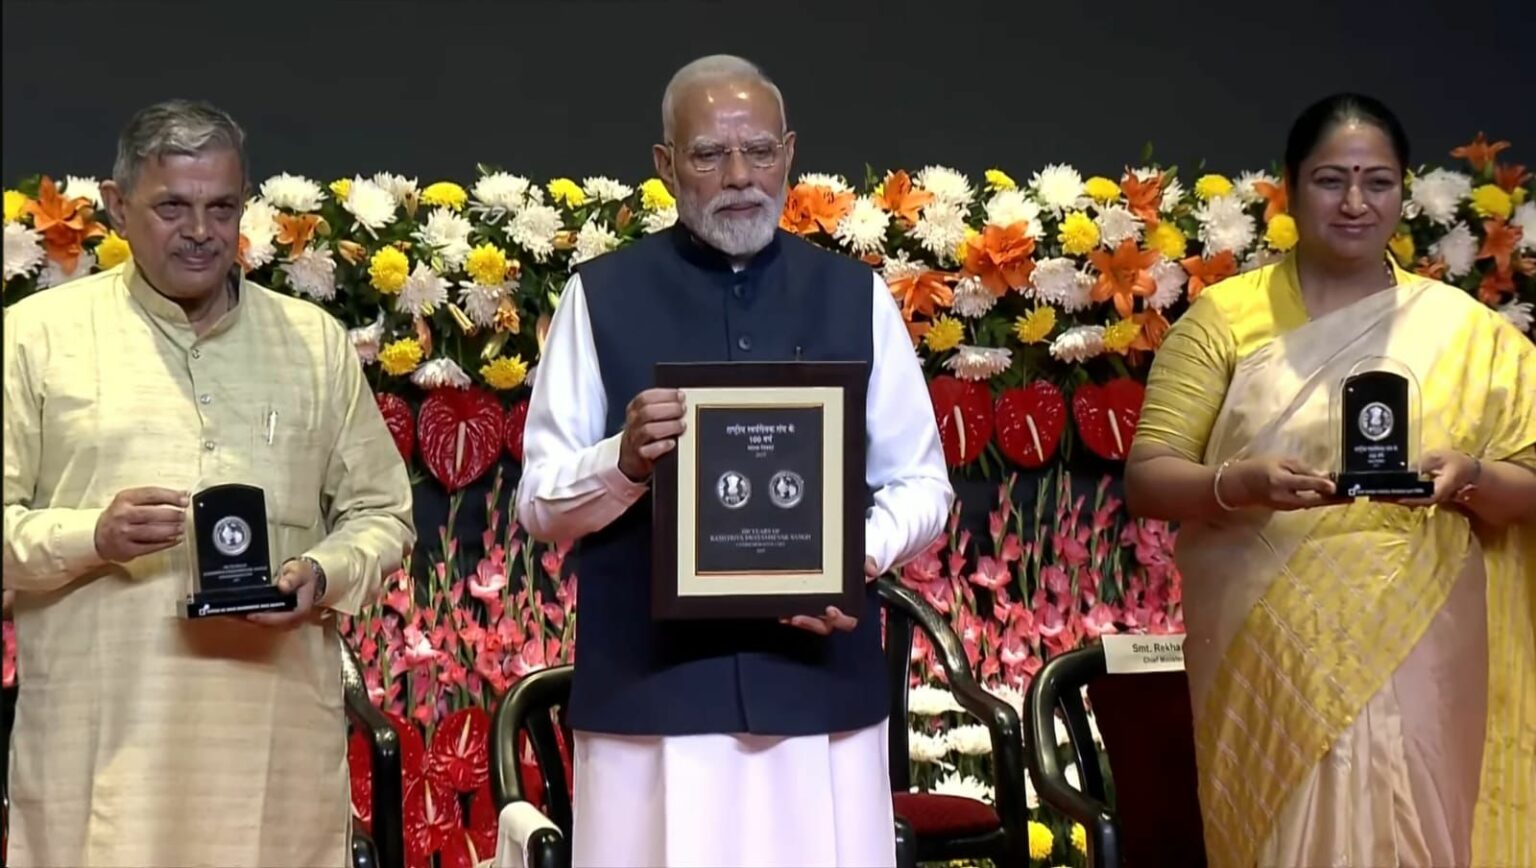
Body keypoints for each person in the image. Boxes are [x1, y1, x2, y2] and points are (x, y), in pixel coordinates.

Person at [515, 55, 953, 867]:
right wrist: (623, 464)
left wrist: (846, 556)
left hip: (820, 695)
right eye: (710, 155)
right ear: (665, 164)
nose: (740, 176)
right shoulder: (600, 296)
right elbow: (538, 503)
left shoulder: (855, 296)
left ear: (789, 153)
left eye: (758, 151)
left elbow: (923, 483)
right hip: (654, 699)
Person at [1126, 93, 1536, 867]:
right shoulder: (1224, 319)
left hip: (1428, 640)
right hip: (1272, 651)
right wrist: (1238, 484)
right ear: (1289, 187)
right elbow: (1149, 478)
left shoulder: (1466, 329)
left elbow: (1531, 484)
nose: (1355, 202)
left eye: (1377, 182)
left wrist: (1471, 476)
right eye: (1331, 180)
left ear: (1404, 191)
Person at [2, 99, 416, 867]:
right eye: (173, 207)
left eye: (222, 206)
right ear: (118, 206)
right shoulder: (35, 337)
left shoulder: (311, 343)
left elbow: (383, 514)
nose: (201, 231)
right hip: (102, 762)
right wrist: (91, 536)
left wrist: (322, 575)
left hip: (272, 757)